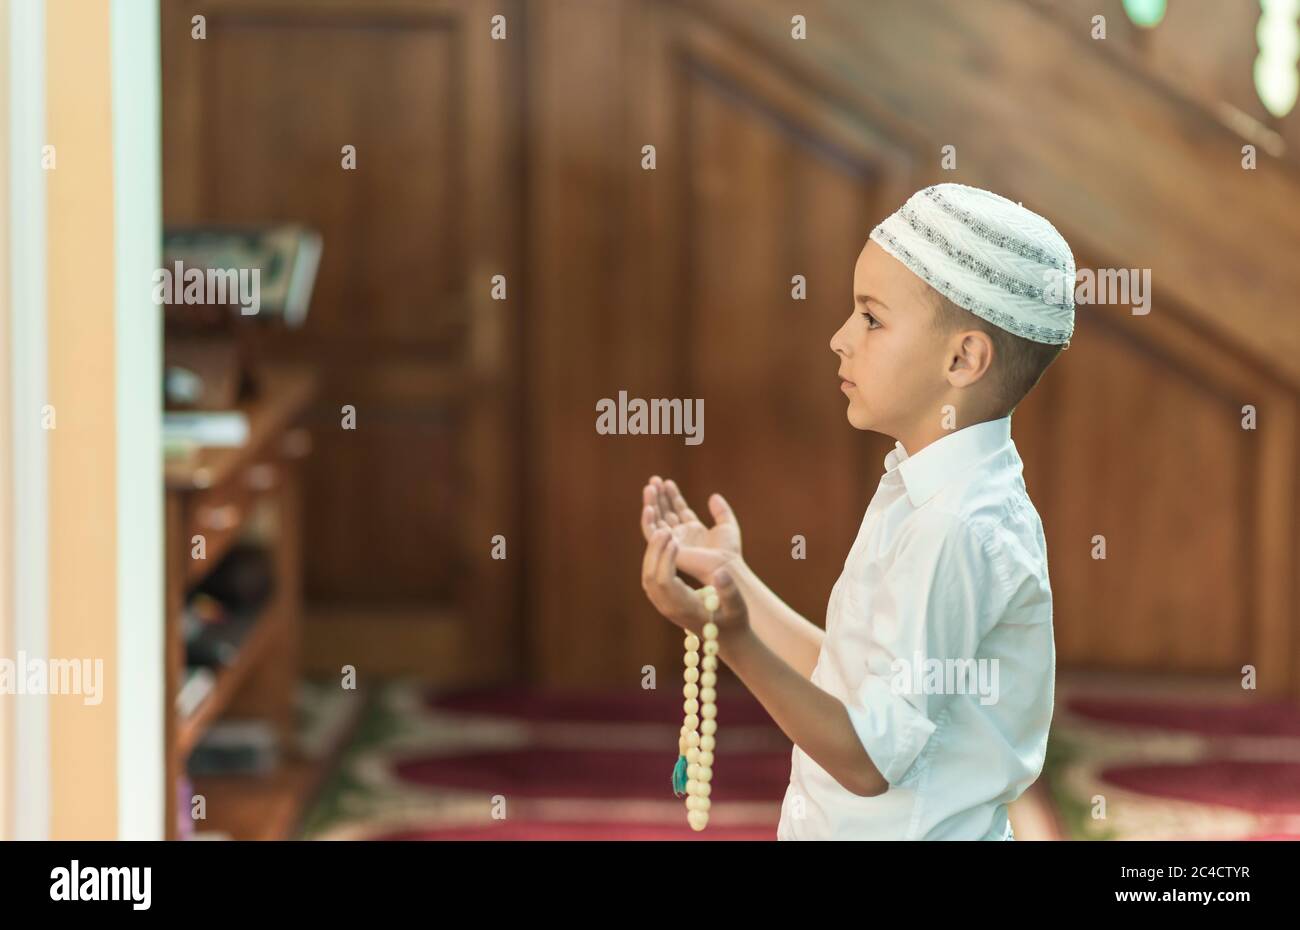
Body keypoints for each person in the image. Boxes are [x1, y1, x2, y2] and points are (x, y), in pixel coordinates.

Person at [640, 183, 1072, 839]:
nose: (840, 338)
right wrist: (733, 579)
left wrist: (731, 637)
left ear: (962, 358)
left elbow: (869, 761)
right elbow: (851, 676)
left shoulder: (955, 527)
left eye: (871, 318)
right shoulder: (927, 489)